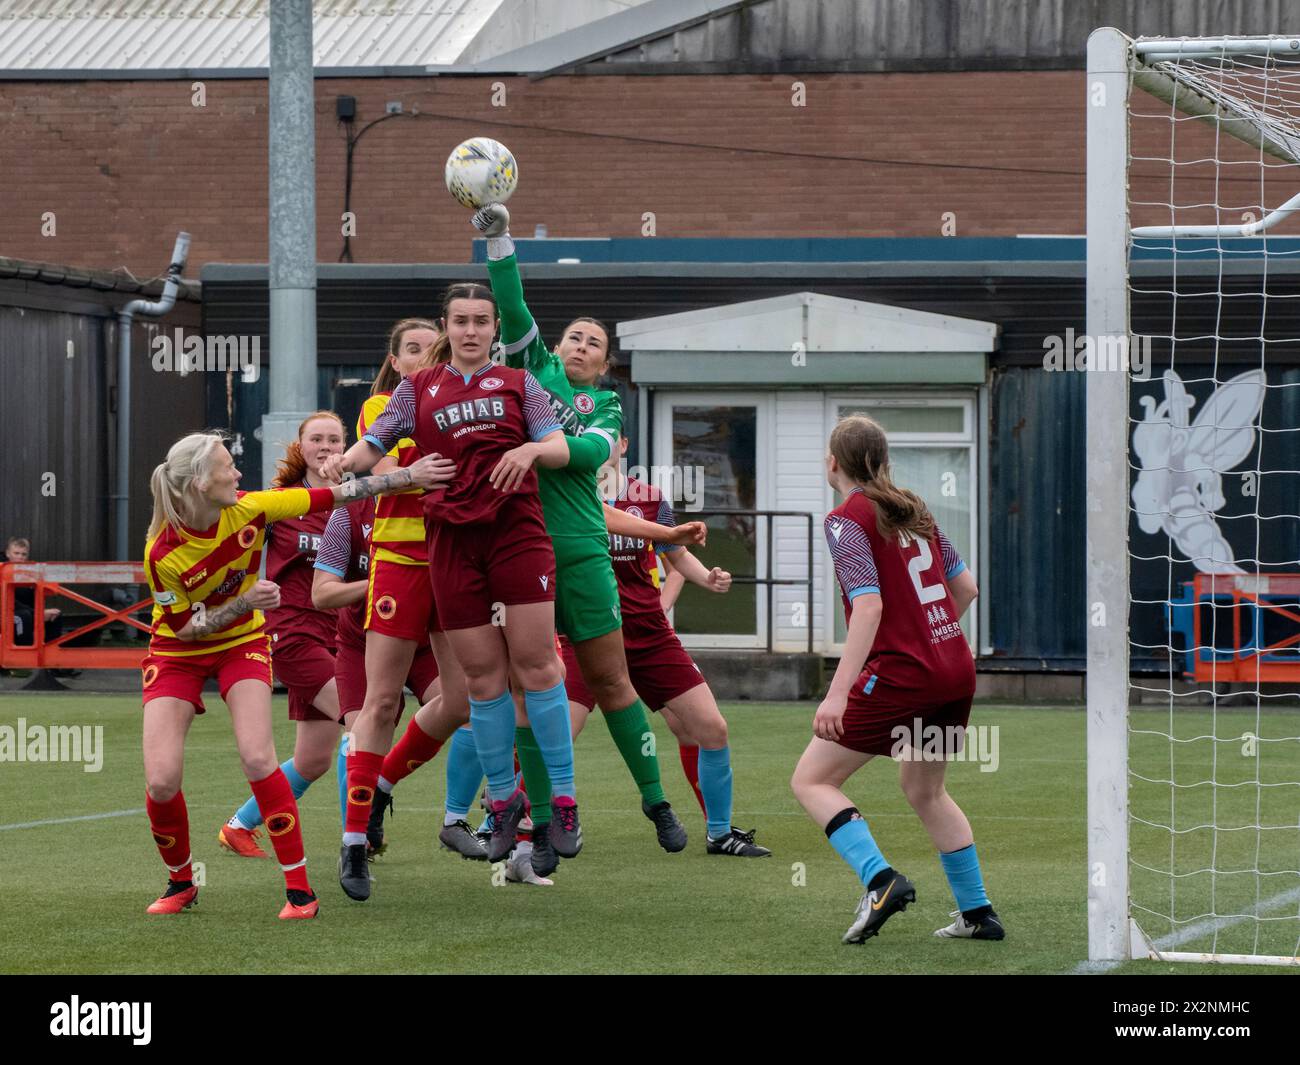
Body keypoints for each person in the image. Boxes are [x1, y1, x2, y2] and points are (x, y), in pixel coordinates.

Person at [322, 281, 581, 901]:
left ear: (492, 328)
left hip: (499, 540)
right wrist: (344, 464)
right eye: (456, 322)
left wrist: (531, 449)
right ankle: (357, 839)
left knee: (504, 681)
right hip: (414, 556)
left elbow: (559, 445)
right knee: (384, 703)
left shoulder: (517, 384)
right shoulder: (405, 395)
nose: (467, 331)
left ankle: (531, 819)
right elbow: (370, 454)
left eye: (480, 321)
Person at [474, 203, 706, 872]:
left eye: (592, 343)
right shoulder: (532, 365)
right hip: (518, 550)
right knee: (525, 688)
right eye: (573, 336)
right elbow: (512, 305)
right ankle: (542, 824)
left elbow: (584, 455)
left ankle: (656, 799)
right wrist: (498, 238)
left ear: (604, 366)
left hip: (578, 548)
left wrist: (537, 448)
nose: (578, 346)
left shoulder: (603, 405)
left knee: (610, 681)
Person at [140, 430, 450, 919]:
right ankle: (181, 881)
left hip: (244, 645)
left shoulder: (253, 507)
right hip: (178, 651)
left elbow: (341, 492)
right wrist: (245, 601)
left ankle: (301, 892)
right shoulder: (162, 552)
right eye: (227, 466)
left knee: (262, 758)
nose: (238, 474)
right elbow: (185, 631)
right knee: (161, 781)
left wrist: (406, 477)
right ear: (200, 482)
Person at [790, 415, 1003, 944]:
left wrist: (837, 692)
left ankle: (880, 881)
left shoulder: (846, 519)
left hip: (905, 675)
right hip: (955, 670)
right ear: (883, 461)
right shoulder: (916, 510)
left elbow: (867, 607)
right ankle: (978, 914)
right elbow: (967, 588)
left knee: (812, 779)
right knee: (925, 790)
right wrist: (935, 638)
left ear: (832, 462)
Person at [562, 434, 770, 858]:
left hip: (647, 632)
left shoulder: (650, 498)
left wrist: (706, 577)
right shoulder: (566, 495)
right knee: (558, 732)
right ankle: (515, 819)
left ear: (621, 444)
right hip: (586, 629)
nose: (598, 449)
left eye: (605, 439)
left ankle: (719, 833)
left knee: (711, 728)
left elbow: (674, 554)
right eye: (584, 439)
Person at [218, 413, 353, 857]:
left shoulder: (355, 501)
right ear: (301, 445)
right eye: (316, 438)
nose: (326, 446)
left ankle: (238, 825)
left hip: (340, 637)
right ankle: (359, 838)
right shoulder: (279, 503)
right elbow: (229, 536)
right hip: (292, 634)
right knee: (361, 720)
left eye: (335, 438)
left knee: (313, 759)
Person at [4, 537, 77, 678]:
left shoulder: (30, 573)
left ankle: (53, 664)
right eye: (16, 553)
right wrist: (38, 613)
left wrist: (44, 612)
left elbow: (35, 599)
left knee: (55, 615)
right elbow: (8, 602)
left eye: (23, 554)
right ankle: (22, 665)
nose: (20, 557)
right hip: (5, 613)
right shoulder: (2, 570)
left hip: (24, 613)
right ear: (8, 553)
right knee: (23, 617)